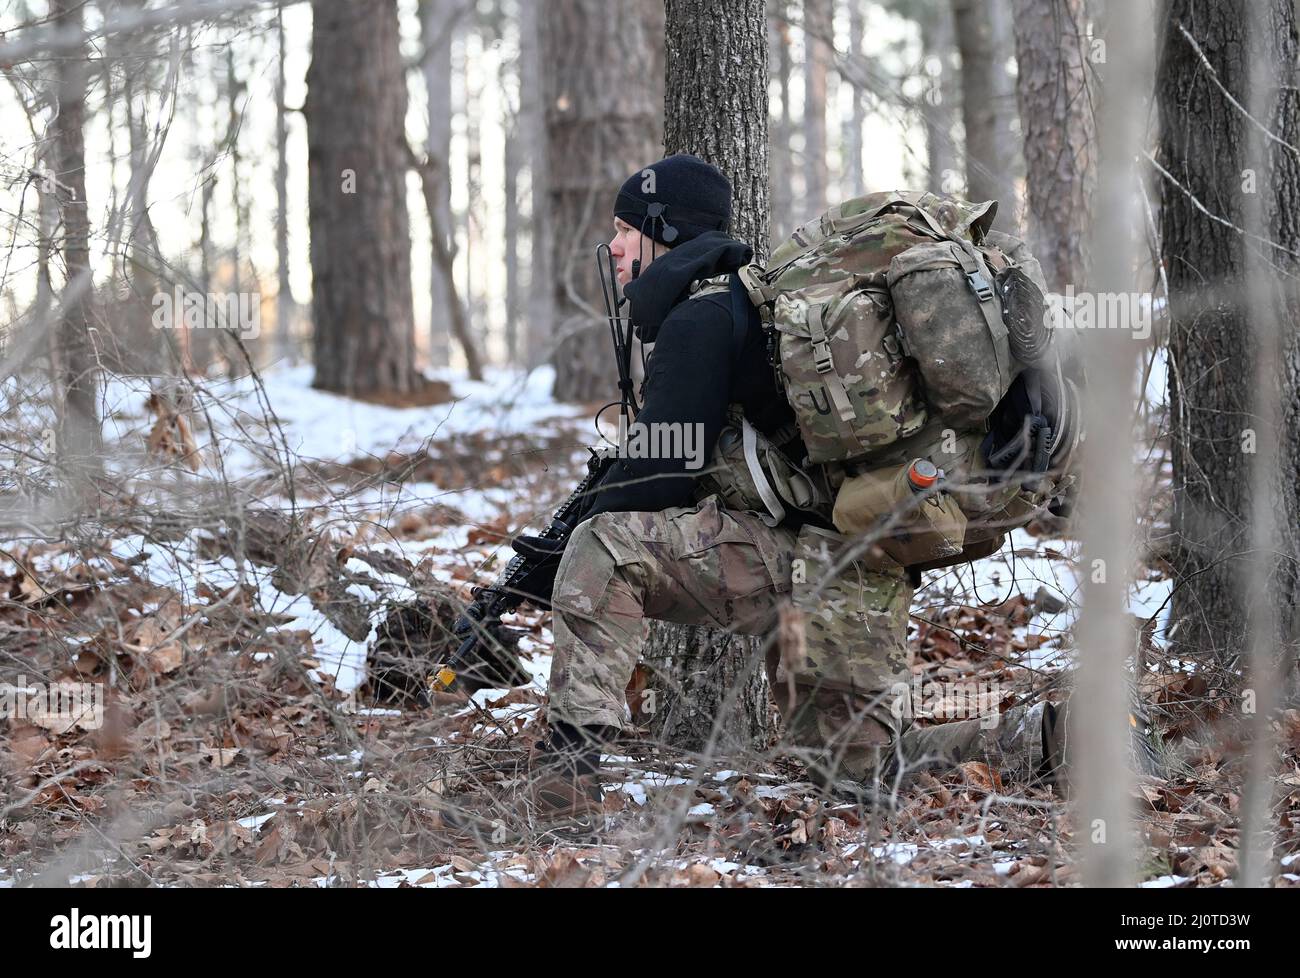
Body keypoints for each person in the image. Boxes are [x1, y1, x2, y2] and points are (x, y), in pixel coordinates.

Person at [519, 153, 1069, 823]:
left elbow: (655, 475)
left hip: (812, 565)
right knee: (861, 777)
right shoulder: (758, 312)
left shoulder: (701, 320)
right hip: (852, 568)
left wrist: (557, 563)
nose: (612, 247)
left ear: (663, 232)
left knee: (603, 545)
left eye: (624, 229)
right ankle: (1054, 742)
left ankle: (564, 779)